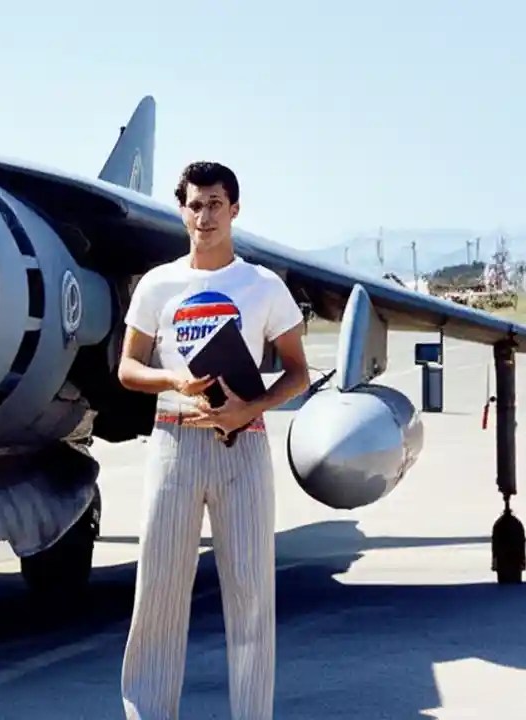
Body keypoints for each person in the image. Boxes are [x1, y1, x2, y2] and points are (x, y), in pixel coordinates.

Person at [116, 161, 309, 720]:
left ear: (235, 210)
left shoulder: (262, 285)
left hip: (242, 446)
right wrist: (173, 379)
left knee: (250, 597)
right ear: (182, 210)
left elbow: (297, 371)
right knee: (159, 594)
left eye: (216, 204)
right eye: (195, 204)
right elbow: (129, 368)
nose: (205, 216)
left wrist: (253, 407)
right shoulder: (158, 285)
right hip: (174, 442)